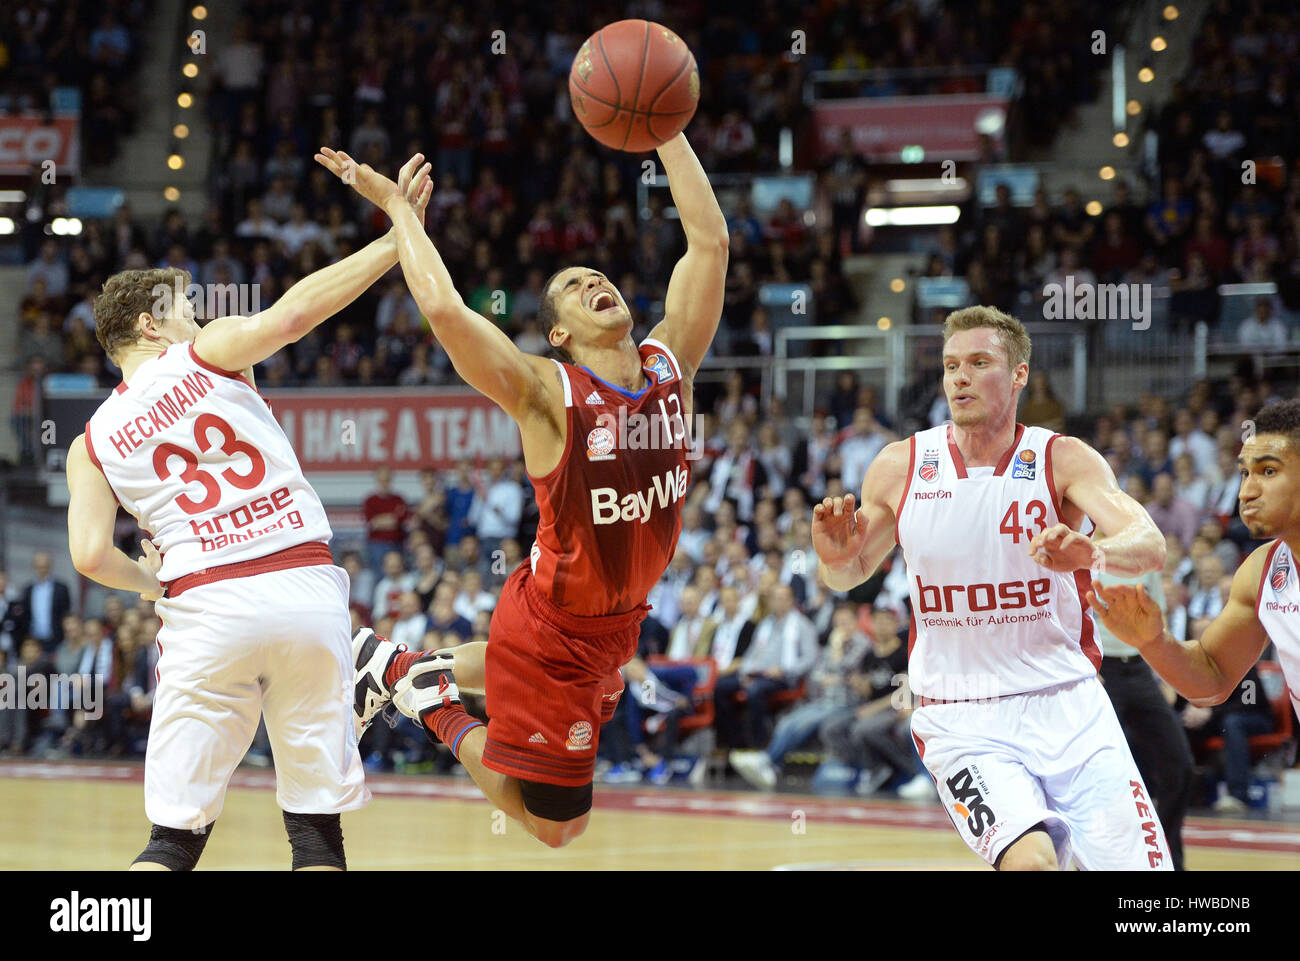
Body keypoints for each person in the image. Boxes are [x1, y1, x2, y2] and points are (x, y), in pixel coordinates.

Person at [319, 135, 727, 848]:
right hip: (553, 628)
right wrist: (398, 213)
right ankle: (429, 702)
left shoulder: (671, 367)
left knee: (515, 688)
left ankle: (403, 666)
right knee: (556, 828)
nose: (594, 281)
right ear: (560, 332)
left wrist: (666, 131)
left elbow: (710, 243)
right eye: (573, 285)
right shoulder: (549, 392)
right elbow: (447, 313)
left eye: (597, 273)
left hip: (616, 625)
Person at [62, 153, 432, 869]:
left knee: (172, 840)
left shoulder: (91, 442)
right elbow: (297, 313)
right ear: (151, 325)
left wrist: (156, 584)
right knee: (315, 829)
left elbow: (88, 555)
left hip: (203, 605)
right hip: (301, 586)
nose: (197, 313)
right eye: (183, 306)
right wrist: (399, 233)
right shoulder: (207, 352)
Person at [814, 305, 1171, 871]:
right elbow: (848, 574)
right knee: (1032, 864)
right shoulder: (902, 465)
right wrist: (835, 557)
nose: (960, 376)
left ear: (1020, 374)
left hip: (1069, 703)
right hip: (961, 716)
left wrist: (1093, 551)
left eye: (979, 363)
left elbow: (1149, 542)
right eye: (952, 365)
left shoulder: (1062, 458)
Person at [1091, 399, 1300, 814]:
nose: (1246, 491)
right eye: (1244, 473)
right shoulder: (1261, 572)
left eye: (1268, 472)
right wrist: (1153, 641)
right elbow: (1214, 677)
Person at [1093, 569, 1193, 870]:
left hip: (1140, 668)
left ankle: (1165, 858)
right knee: (1100, 774)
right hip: (1098, 669)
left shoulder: (1145, 555)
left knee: (1181, 767)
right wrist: (1082, 663)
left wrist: (1165, 671)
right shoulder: (1081, 547)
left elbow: (1157, 619)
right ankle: (1094, 862)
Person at [22, 553, 72, 654]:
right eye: (39, 567)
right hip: (34, 639)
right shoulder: (28, 590)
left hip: (56, 639)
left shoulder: (61, 588)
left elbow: (66, 613)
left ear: (50, 566)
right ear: (34, 567)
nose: (42, 570)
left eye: (45, 566)